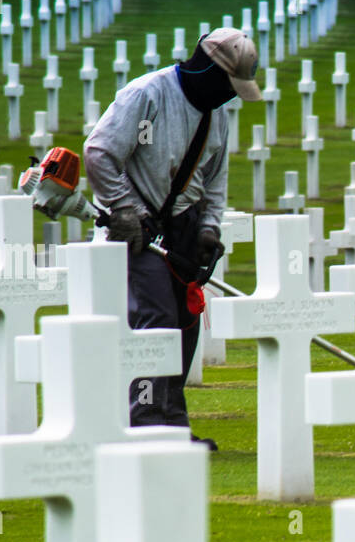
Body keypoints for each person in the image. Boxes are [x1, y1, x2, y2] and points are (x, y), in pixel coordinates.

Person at [84, 26, 262, 448]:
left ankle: (173, 424)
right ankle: (146, 424)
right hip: (137, 231)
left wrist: (208, 229)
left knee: (185, 323)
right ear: (209, 71)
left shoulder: (216, 115)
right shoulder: (146, 95)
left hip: (182, 229)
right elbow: (99, 152)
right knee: (157, 319)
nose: (232, 96)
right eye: (230, 86)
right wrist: (125, 209)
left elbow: (215, 180)